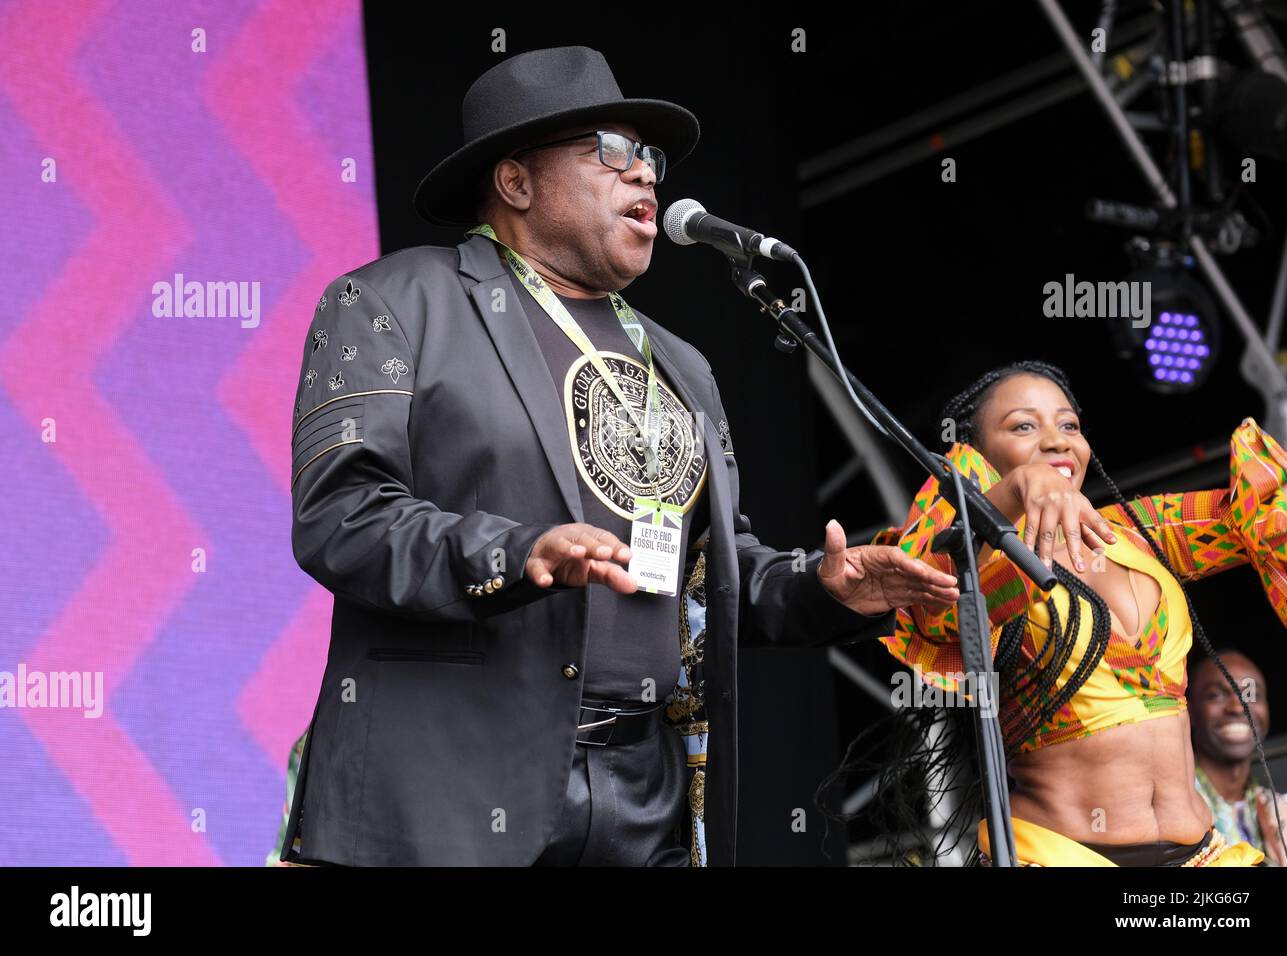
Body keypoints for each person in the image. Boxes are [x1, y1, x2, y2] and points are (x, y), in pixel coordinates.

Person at [279, 45, 958, 867]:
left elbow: (713, 575)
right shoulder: (392, 302)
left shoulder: (680, 364)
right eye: (611, 149)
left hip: (646, 794)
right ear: (516, 182)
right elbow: (342, 518)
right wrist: (519, 550)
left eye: (652, 158)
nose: (645, 175)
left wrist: (823, 589)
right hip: (452, 788)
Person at [831, 359, 1287, 866]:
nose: (1057, 441)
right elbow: (935, 605)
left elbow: (1268, 515)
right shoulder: (967, 554)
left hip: (1202, 854)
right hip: (1061, 854)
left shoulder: (1130, 534)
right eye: (1024, 426)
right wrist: (1014, 491)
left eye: (1069, 425)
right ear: (978, 455)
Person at [1189, 648, 1287, 866]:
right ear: (1190, 711)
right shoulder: (1172, 802)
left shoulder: (1281, 812)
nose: (1238, 707)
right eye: (1216, 695)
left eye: (1251, 694)